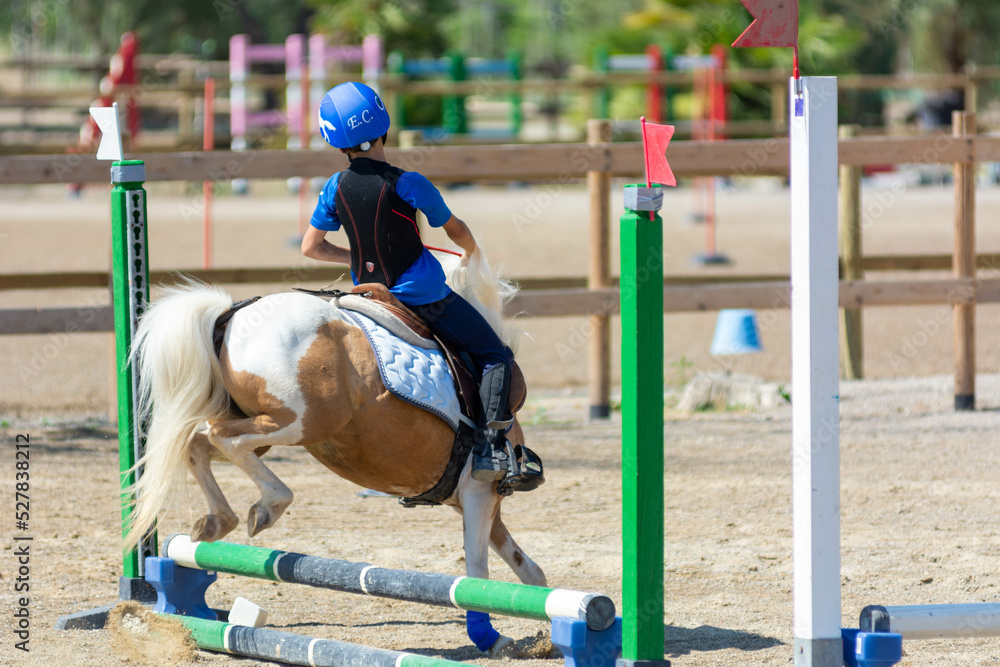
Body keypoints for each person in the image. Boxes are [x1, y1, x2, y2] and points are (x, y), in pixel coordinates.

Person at [302, 82, 541, 490]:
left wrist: (355, 260)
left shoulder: (332, 187)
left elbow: (312, 247)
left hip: (365, 297)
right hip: (423, 298)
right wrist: (471, 254)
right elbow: (456, 229)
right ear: (384, 129)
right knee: (495, 356)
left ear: (335, 141)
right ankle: (490, 448)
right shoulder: (409, 182)